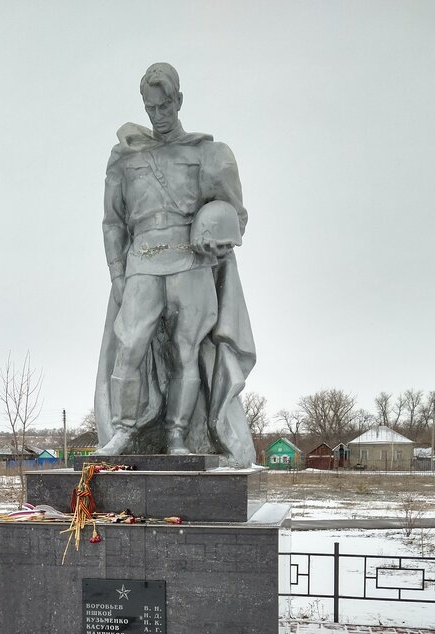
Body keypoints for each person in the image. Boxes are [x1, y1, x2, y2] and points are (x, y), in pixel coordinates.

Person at [94, 63, 256, 466]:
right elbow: (113, 222)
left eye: (165, 106)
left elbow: (236, 214)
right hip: (143, 261)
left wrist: (218, 239)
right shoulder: (125, 157)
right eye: (151, 108)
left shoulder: (205, 153)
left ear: (179, 101)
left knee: (186, 352)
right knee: (129, 347)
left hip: (191, 263)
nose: (158, 115)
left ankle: (178, 435)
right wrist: (118, 274)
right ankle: (125, 430)